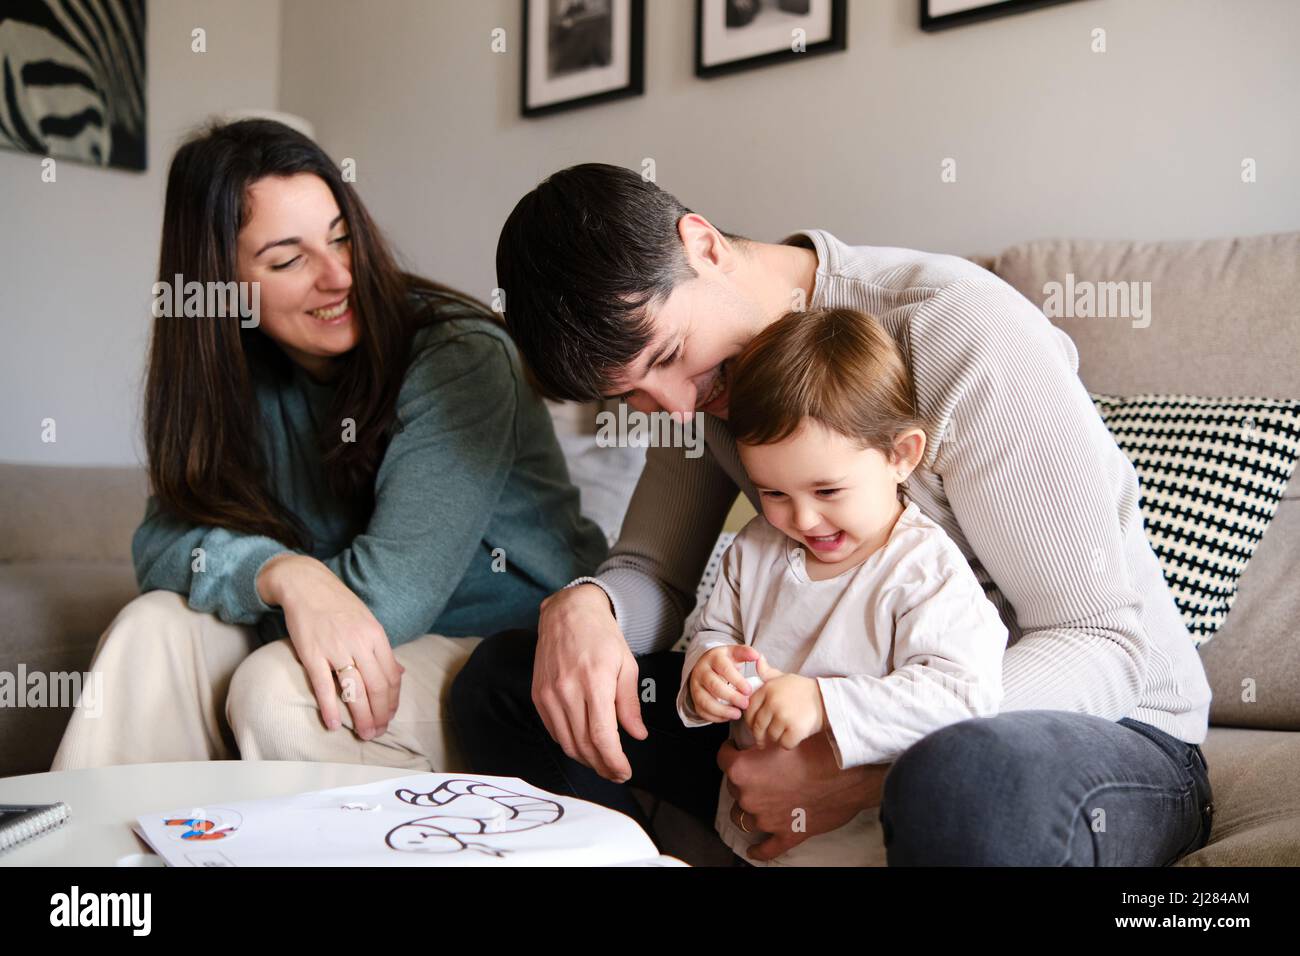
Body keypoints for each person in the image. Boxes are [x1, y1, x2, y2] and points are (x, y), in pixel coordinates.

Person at [451, 162, 1214, 865]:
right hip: (806, 709)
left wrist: (856, 758)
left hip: (1099, 729)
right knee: (509, 682)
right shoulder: (702, 388)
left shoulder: (957, 331)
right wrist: (591, 606)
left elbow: (1101, 643)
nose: (676, 407)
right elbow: (656, 573)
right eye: (632, 396)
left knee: (966, 780)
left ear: (703, 244)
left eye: (667, 355)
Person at [51, 121, 607, 772]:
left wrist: (266, 590)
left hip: (497, 654)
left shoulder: (460, 357)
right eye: (287, 260)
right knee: (153, 628)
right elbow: (159, 544)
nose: (338, 276)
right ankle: (93, 867)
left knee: (276, 694)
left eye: (342, 238)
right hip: (351, 636)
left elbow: (388, 602)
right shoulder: (237, 379)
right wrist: (284, 574)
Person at [678, 306, 1008, 866]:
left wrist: (823, 702)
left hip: (865, 847)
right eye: (774, 493)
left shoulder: (922, 568)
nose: (803, 520)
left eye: (828, 491)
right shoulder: (755, 548)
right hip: (752, 832)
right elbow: (713, 631)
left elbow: (964, 698)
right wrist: (706, 670)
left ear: (900, 456)